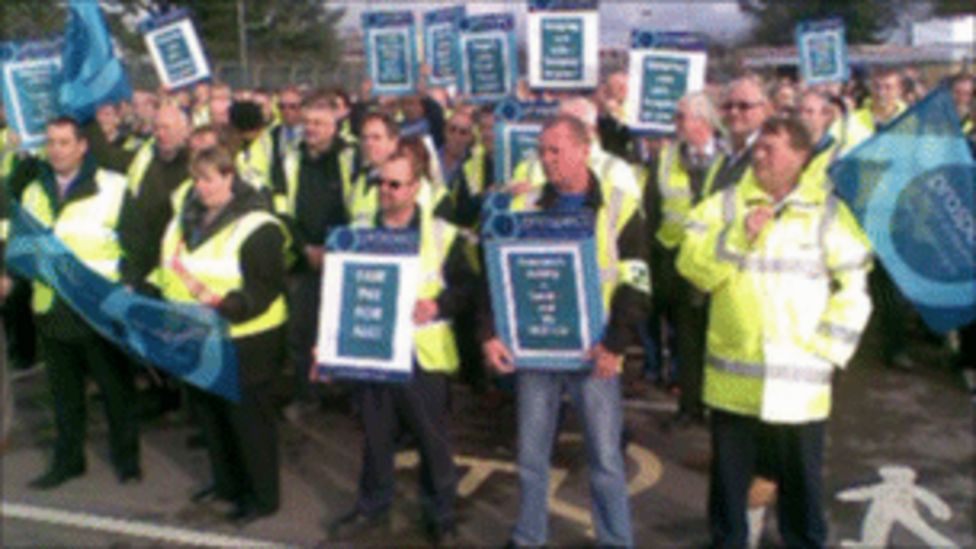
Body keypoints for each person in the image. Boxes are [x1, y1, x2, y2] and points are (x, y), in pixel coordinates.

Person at [676, 116, 873, 548]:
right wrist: (737, 236)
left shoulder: (828, 213)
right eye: (757, 148)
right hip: (734, 385)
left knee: (802, 497)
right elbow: (690, 266)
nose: (759, 156)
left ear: (801, 157)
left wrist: (828, 351)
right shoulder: (725, 205)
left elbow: (855, 288)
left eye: (771, 149)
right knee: (728, 495)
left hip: (799, 389)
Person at [481, 115, 650, 547]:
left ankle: (616, 539)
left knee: (606, 458)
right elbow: (493, 276)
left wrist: (616, 344)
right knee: (532, 456)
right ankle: (528, 537)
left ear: (584, 148)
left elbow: (636, 282)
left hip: (594, 352)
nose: (547, 160)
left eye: (556, 150)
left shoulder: (619, 205)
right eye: (542, 151)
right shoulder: (525, 205)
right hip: (536, 350)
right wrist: (490, 333)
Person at [328, 148, 475, 545]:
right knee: (375, 436)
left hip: (423, 354)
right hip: (371, 348)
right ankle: (372, 504)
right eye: (380, 182)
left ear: (416, 187)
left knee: (433, 440)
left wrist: (438, 305)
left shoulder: (442, 233)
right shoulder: (358, 231)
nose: (385, 191)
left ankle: (440, 514)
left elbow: (465, 288)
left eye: (395, 183)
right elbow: (339, 290)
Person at [154, 146, 287, 523]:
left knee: (249, 423)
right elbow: (170, 268)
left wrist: (235, 305)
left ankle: (261, 496)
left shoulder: (257, 225)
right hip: (199, 335)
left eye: (210, 178)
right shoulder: (187, 220)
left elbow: (266, 285)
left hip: (247, 339)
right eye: (196, 179)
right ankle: (226, 484)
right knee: (213, 418)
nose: (201, 187)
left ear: (230, 177)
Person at [17, 117, 141, 489]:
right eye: (51, 142)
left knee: (115, 391)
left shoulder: (112, 187)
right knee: (63, 395)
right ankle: (68, 461)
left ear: (82, 145)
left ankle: (128, 461)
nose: (56, 149)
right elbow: (23, 244)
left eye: (64, 142)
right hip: (52, 307)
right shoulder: (35, 192)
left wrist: (129, 287)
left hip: (98, 307)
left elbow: (136, 244)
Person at [644, 92, 725, 425]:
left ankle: (717, 406)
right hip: (675, 261)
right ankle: (689, 407)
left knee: (717, 339)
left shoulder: (729, 157)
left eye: (681, 117)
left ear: (702, 121)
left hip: (718, 259)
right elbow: (652, 211)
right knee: (686, 339)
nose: (675, 124)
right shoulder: (665, 158)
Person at [274, 97, 352, 420]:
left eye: (319, 123)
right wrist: (305, 247)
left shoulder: (350, 157)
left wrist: (333, 246)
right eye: (308, 123)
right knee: (302, 330)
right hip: (303, 257)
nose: (311, 129)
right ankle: (307, 395)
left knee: (343, 327)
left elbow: (356, 205)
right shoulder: (289, 160)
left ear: (334, 126)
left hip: (343, 253)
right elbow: (281, 210)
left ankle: (347, 393)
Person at [711, 76, 770, 192]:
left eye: (744, 106)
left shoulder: (769, 153)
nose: (734, 112)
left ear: (765, 109)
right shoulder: (720, 154)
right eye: (728, 106)